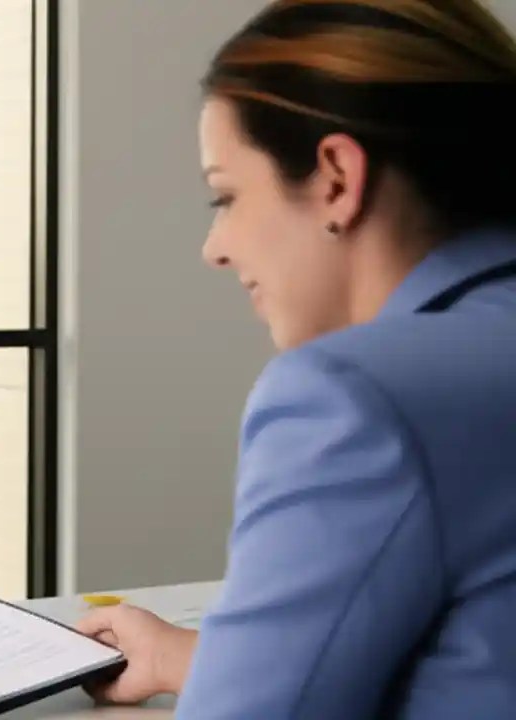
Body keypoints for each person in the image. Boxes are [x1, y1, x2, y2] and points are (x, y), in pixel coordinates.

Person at [75, 0, 516, 717]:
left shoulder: (357, 398)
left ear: (337, 177)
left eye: (226, 195)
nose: (215, 247)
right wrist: (189, 658)